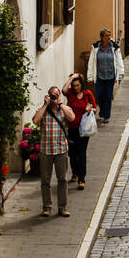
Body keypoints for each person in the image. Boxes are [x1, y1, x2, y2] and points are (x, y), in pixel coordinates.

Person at [32, 85, 74, 217]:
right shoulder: (43, 110)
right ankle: (47, 207)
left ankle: (63, 207)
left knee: (62, 180)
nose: (54, 97)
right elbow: (35, 120)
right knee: (45, 181)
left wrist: (60, 105)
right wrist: (45, 105)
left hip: (61, 150)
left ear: (59, 96)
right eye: (52, 95)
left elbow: (72, 118)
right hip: (46, 151)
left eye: (56, 95)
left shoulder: (64, 109)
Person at [63, 73, 98, 189]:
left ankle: (81, 179)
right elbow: (63, 90)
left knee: (81, 153)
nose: (75, 88)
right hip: (72, 128)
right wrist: (71, 78)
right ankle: (75, 173)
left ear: (81, 85)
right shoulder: (70, 95)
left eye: (77, 85)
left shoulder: (87, 95)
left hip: (84, 129)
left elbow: (94, 108)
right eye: (73, 86)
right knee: (72, 153)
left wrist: (90, 110)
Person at [87, 29, 125, 123]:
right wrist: (90, 76)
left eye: (109, 35)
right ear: (102, 37)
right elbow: (91, 63)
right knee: (100, 96)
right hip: (99, 76)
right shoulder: (96, 48)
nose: (109, 37)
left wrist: (120, 75)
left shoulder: (114, 48)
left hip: (110, 76)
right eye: (107, 36)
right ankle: (102, 112)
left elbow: (119, 62)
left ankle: (106, 116)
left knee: (108, 96)